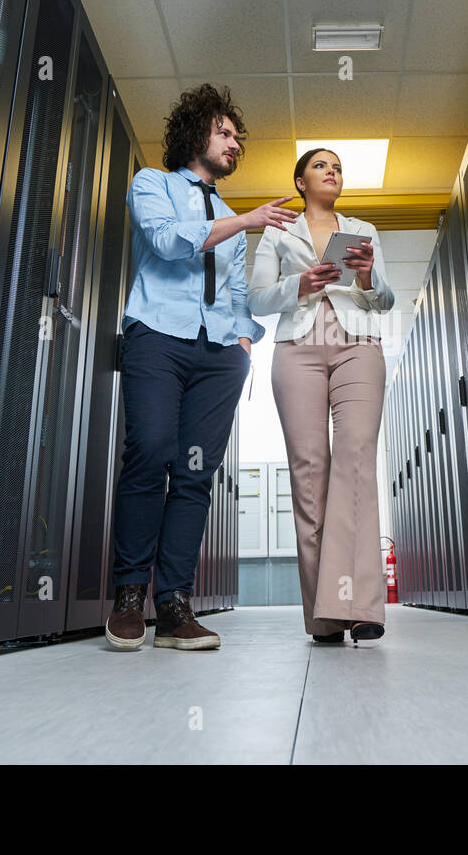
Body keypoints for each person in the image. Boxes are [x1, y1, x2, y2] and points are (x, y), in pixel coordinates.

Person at [106, 83, 297, 651]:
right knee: (150, 452)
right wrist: (244, 223)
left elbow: (238, 292)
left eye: (237, 137)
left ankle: (174, 605)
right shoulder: (152, 183)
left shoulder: (234, 219)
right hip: (157, 338)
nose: (234, 143)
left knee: (195, 477)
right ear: (195, 134)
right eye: (225, 132)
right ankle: (129, 597)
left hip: (218, 355)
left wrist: (242, 345)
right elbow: (166, 243)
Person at [248, 148, 395, 645]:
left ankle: (360, 605)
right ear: (300, 180)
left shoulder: (363, 231)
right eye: (321, 166)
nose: (332, 172)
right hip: (298, 350)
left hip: (357, 345)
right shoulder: (277, 231)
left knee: (355, 459)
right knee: (310, 472)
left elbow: (386, 300)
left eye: (338, 167)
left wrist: (368, 276)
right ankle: (326, 615)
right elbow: (257, 298)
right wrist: (300, 284)